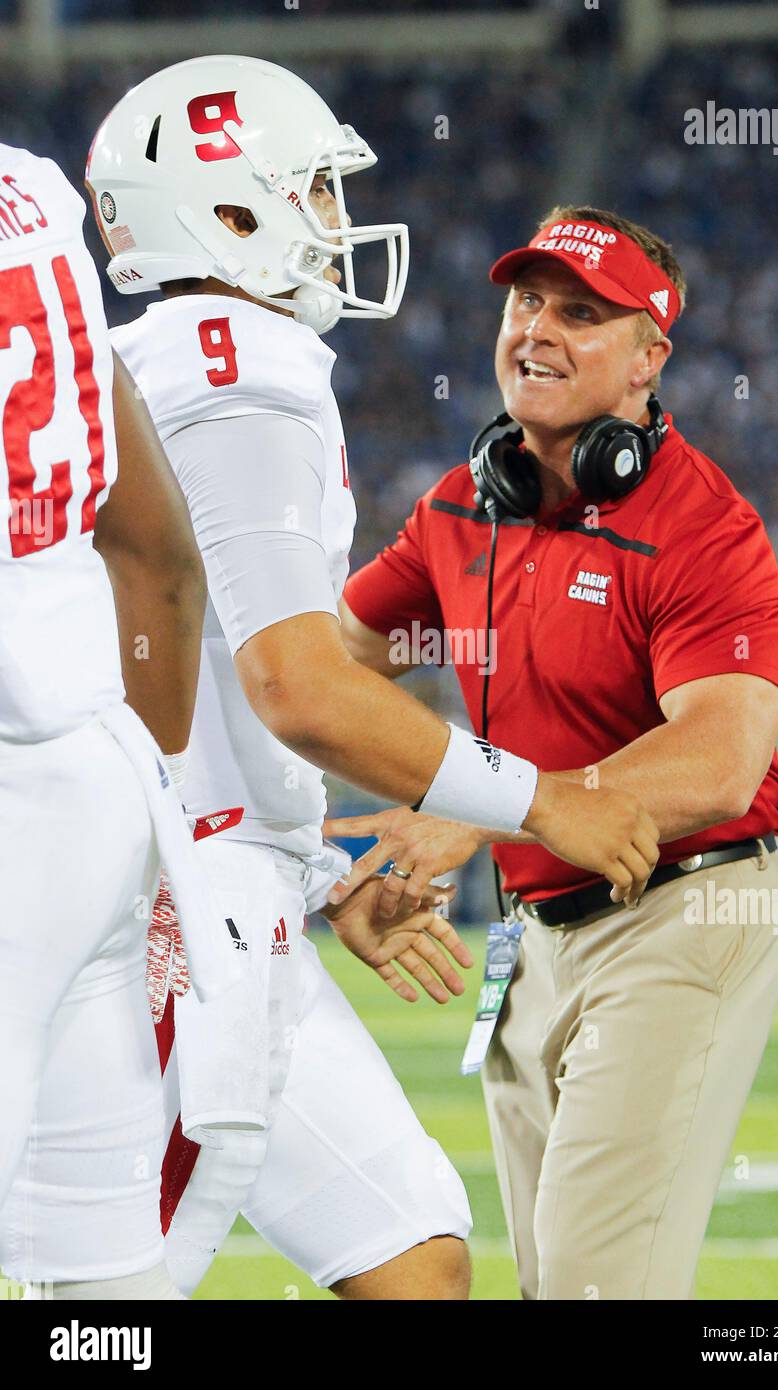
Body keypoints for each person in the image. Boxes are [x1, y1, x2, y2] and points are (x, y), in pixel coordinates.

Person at [86, 58, 659, 1301]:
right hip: (154, 905)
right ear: (228, 215)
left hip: (203, 882)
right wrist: (541, 802)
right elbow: (295, 682)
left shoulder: (169, 359)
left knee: (410, 1252)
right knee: (112, 1304)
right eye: (315, 193)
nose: (338, 225)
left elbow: (209, 682)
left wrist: (307, 871)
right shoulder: (239, 369)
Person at [337, 206, 778, 1300]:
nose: (535, 328)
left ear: (650, 360)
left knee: (603, 1286)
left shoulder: (702, 527)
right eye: (525, 301)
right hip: (530, 936)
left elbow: (721, 759)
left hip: (681, 912)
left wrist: (483, 808)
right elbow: (331, 671)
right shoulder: (461, 508)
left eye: (580, 313)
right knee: (560, 1288)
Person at [0, 141, 231, 1300]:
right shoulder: (33, 192)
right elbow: (161, 556)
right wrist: (155, 822)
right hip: (98, 792)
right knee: (104, 1293)